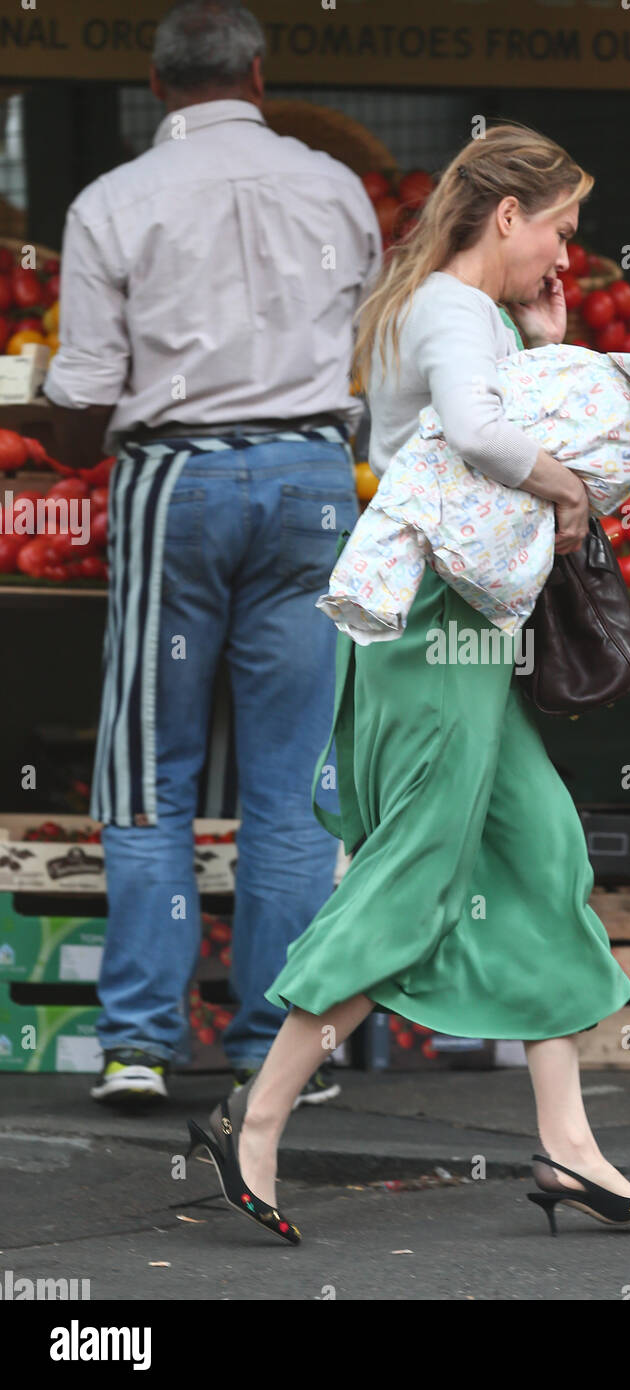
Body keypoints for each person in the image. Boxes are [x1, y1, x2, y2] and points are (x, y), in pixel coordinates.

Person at [186, 124, 630, 1239]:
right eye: (558, 229)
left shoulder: (472, 313)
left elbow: (473, 419)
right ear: (505, 214)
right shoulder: (452, 312)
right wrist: (566, 494)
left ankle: (565, 1146)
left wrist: (545, 343)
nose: (566, 254)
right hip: (431, 636)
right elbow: (472, 430)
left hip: (455, 630)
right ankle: (253, 1121)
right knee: (413, 872)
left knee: (543, 850)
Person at [43, 0, 381, 1106]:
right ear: (259, 75)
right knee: (293, 786)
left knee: (151, 773)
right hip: (315, 483)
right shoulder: (334, 188)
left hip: (177, 484)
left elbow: (85, 395)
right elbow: (366, 352)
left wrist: (65, 430)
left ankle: (139, 1045)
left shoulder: (112, 202)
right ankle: (269, 1049)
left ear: (155, 83)